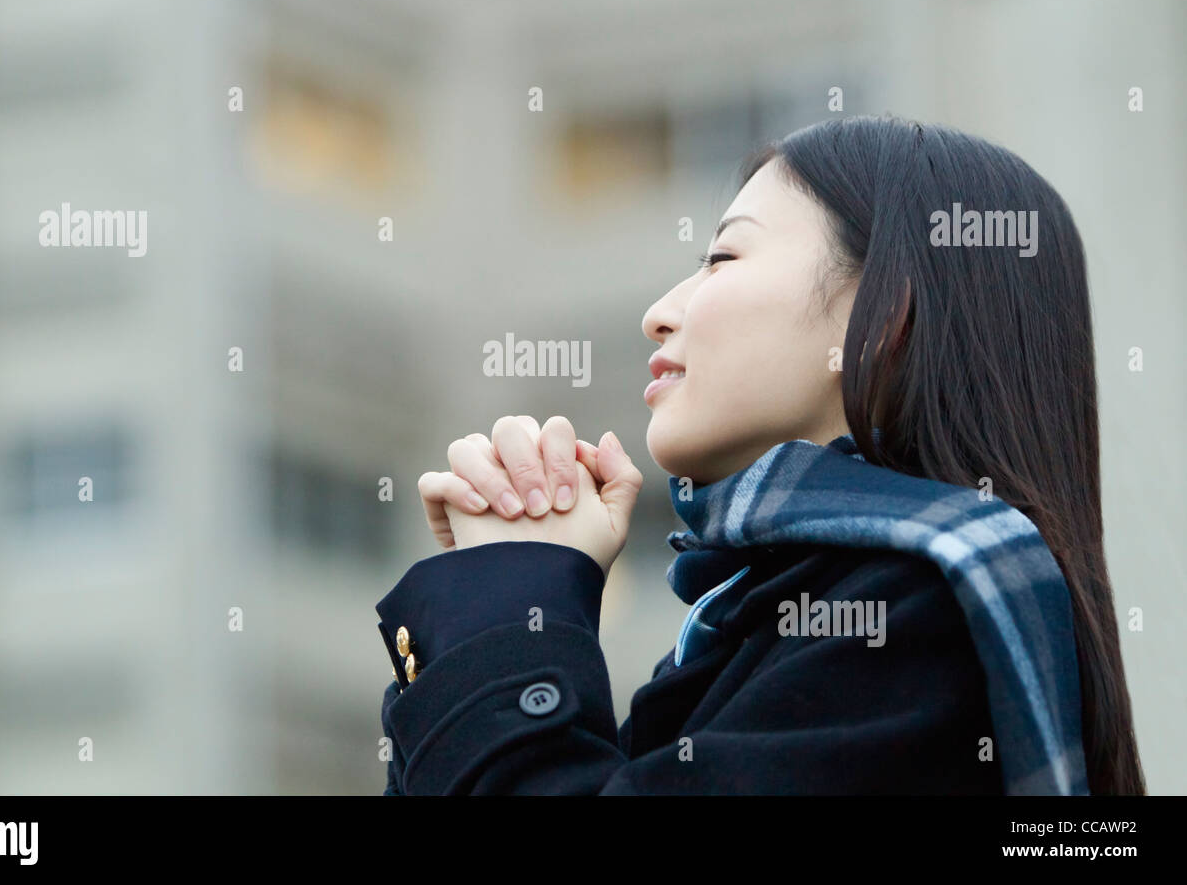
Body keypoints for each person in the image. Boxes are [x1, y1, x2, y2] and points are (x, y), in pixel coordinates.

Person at [375, 114, 1145, 795]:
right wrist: (493, 611)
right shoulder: (757, 625)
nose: (658, 314)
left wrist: (510, 609)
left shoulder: (921, 612)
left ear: (885, 316)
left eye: (721, 259)